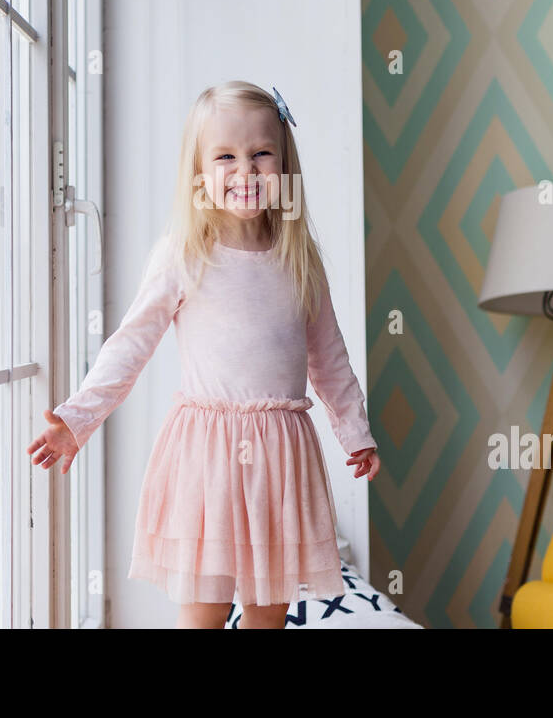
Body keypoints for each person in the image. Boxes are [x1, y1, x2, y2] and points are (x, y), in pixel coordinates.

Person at [27, 80, 380, 629]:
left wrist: (355, 432)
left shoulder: (300, 259)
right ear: (200, 172)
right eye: (225, 157)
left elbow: (330, 360)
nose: (245, 170)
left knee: (269, 612)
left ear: (285, 164)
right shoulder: (184, 254)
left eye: (262, 153)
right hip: (208, 457)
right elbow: (131, 344)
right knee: (204, 612)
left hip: (280, 457)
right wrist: (77, 419)